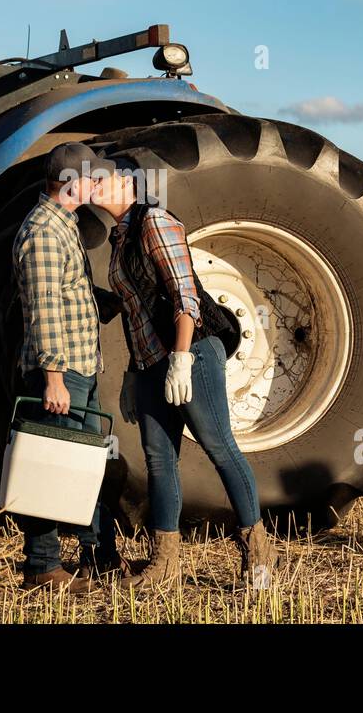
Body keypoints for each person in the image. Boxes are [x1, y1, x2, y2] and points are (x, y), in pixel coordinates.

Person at [95, 164, 278, 588]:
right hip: (149, 363)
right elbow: (136, 310)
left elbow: (184, 294)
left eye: (101, 180)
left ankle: (260, 555)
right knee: (160, 460)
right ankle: (164, 565)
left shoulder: (155, 221)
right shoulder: (119, 237)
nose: (93, 188)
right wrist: (131, 373)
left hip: (191, 351)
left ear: (126, 184)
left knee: (220, 447)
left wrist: (181, 358)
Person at [10, 142, 125, 592]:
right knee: (54, 466)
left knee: (86, 464)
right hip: (61, 373)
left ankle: (100, 555)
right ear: (71, 183)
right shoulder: (42, 232)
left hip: (81, 365)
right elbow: (44, 309)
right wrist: (54, 378)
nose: (97, 185)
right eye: (91, 177)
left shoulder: (63, 224)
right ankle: (42, 567)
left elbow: (69, 293)